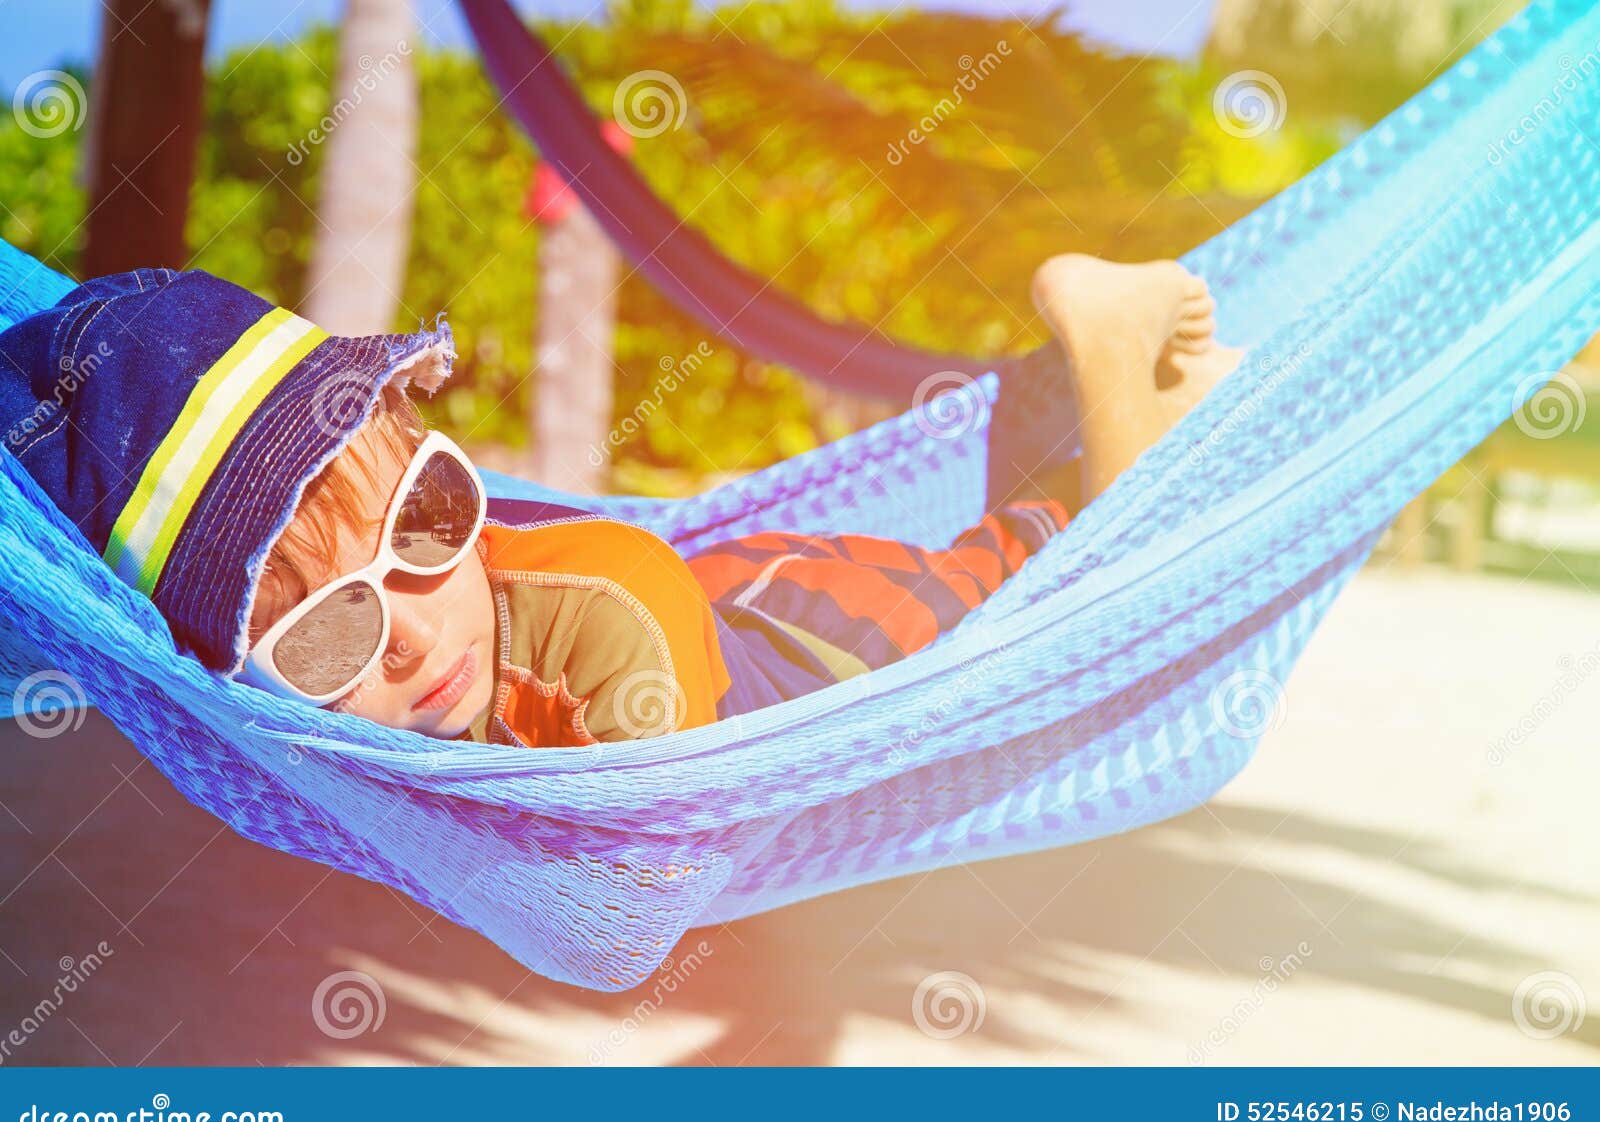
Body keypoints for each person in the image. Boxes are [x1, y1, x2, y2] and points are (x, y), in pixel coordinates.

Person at [0, 257, 1239, 747]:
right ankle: (1077, 409)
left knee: (1086, 596)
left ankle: (1109, 352)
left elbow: (629, 916)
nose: (418, 634)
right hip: (731, 595)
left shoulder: (608, 622)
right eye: (324, 636)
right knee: (1028, 536)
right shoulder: (407, 686)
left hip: (827, 631)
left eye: (426, 524)